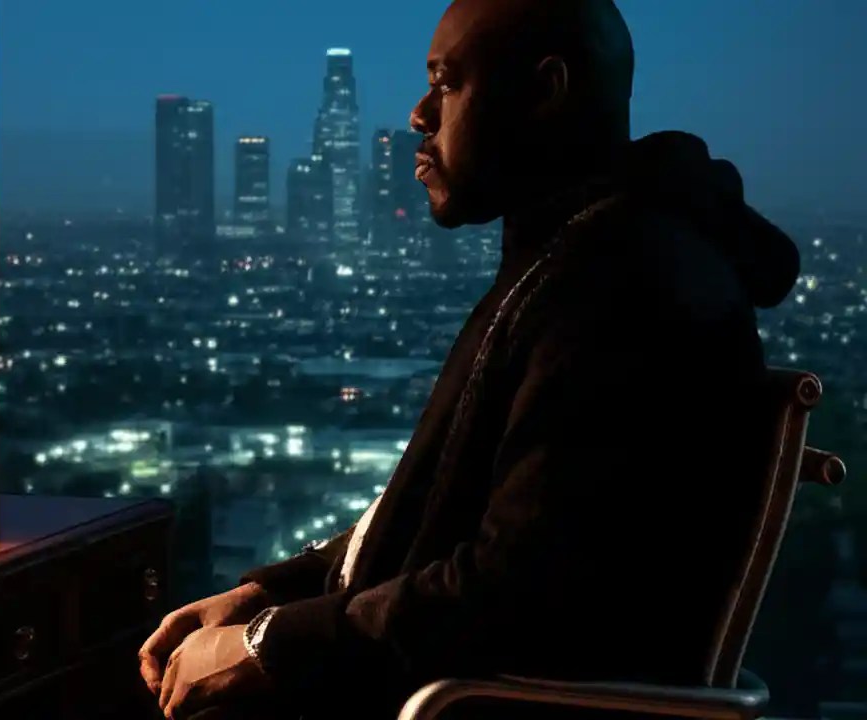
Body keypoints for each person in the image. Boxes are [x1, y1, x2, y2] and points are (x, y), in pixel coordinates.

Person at [138, 0, 801, 717]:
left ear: (547, 90)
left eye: (447, 83)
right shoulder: (580, 260)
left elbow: (511, 592)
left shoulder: (620, 287)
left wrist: (270, 644)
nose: (420, 115)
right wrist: (271, 594)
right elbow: (439, 526)